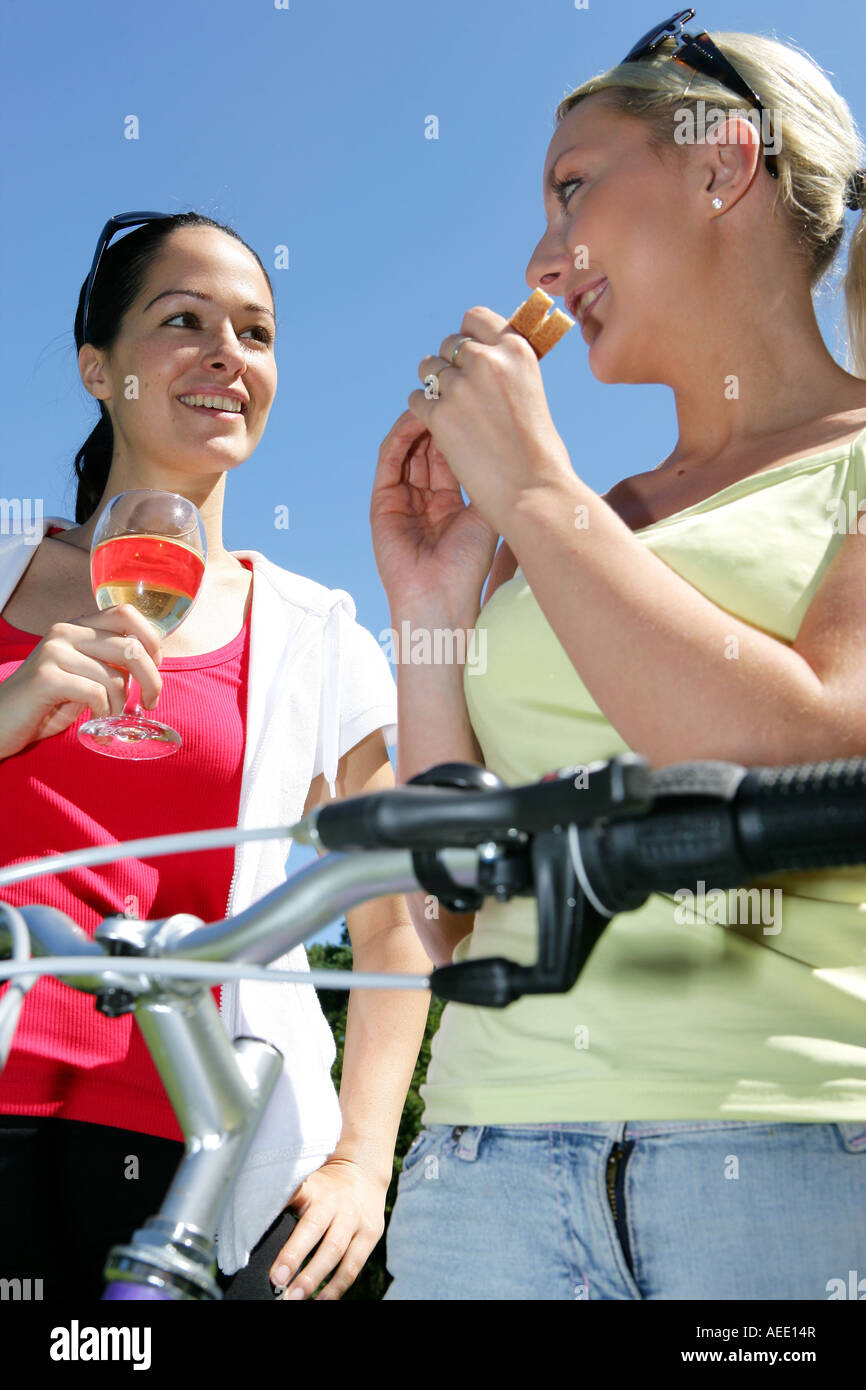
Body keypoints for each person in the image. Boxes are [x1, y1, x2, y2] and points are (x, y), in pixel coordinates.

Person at [372, 15, 866, 1300]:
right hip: (481, 1175)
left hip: (786, 1162)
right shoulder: (581, 521)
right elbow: (447, 908)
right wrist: (429, 605)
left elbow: (804, 763)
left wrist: (538, 494)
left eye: (573, 187)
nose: (542, 254)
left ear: (719, 164)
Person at [0, 211, 432, 1301]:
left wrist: (360, 1161)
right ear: (98, 369)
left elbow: (395, 916)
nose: (226, 355)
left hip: (206, 1153)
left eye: (254, 330)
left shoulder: (314, 629)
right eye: (182, 319)